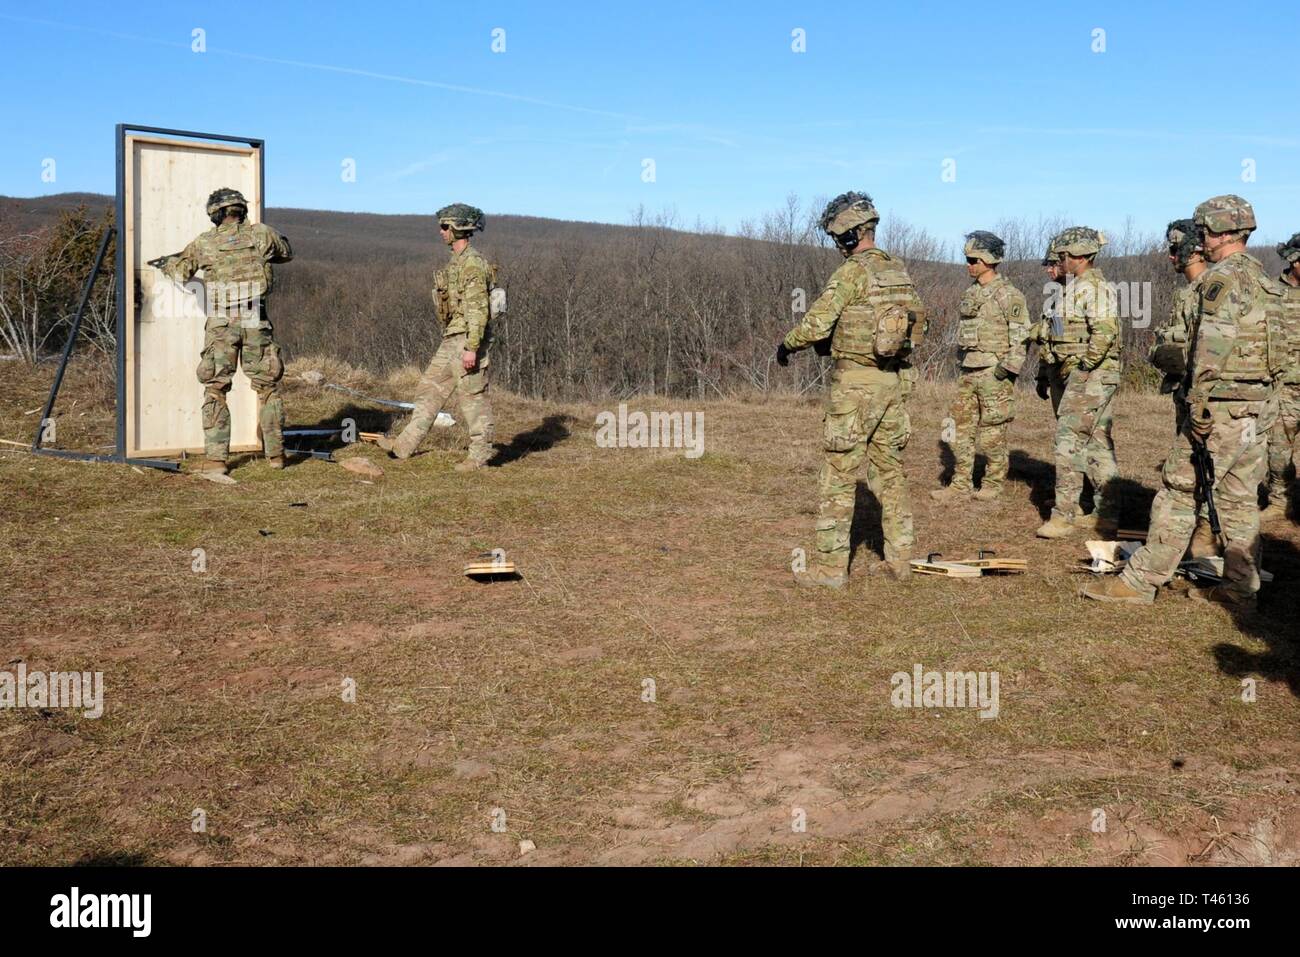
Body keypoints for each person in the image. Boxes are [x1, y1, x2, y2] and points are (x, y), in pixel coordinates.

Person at [1083, 195, 1285, 606]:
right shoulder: (1266, 281)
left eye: (1207, 231)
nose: (1203, 239)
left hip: (1222, 407)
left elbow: (1212, 347)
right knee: (1239, 496)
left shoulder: (1222, 280)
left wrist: (1199, 404)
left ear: (1225, 233)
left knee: (1179, 491)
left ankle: (1139, 583)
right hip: (1257, 405)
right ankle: (1240, 586)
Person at [777, 191, 927, 588]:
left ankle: (830, 571)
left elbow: (816, 325)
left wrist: (788, 344)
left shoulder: (851, 273)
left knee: (839, 474)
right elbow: (918, 326)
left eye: (835, 238)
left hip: (856, 385)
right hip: (893, 384)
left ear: (848, 236)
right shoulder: (899, 270)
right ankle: (900, 560)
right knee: (890, 473)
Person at [160, 188, 293, 474]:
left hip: (222, 325)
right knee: (268, 389)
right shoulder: (262, 234)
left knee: (216, 388)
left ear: (215, 214)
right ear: (241, 210)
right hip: (256, 320)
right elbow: (286, 252)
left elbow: (182, 273)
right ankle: (277, 457)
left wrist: (167, 264)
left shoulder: (205, 242)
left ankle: (217, 460)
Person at [377, 203, 496, 471]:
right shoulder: (457, 262)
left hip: (467, 338)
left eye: (445, 227)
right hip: (452, 337)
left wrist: (472, 348)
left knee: (473, 398)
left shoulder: (473, 264)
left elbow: (478, 311)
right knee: (429, 388)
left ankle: (479, 457)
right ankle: (405, 445)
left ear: (459, 229)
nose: (441, 232)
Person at [1034, 227, 1122, 538]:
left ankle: (1064, 515)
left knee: (1067, 441)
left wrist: (1083, 368)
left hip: (1090, 375)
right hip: (1080, 373)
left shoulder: (1093, 288)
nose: (1059, 261)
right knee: (1097, 442)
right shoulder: (1073, 289)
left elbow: (1105, 331)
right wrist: (1047, 372)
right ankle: (1107, 512)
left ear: (1082, 257)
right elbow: (1056, 335)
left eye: (1064, 256)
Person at [931, 231, 1030, 504]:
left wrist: (1006, 370)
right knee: (957, 430)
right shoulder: (971, 293)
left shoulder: (1009, 295)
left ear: (988, 260)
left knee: (992, 433)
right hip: (969, 371)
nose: (968, 264)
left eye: (973, 259)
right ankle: (960, 484)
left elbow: (1021, 336)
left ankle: (992, 483)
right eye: (967, 259)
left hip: (993, 374)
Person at [1260, 232, 1300, 521]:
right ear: (1294, 261)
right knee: (1278, 449)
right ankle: (1279, 500)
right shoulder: (1271, 292)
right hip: (1285, 386)